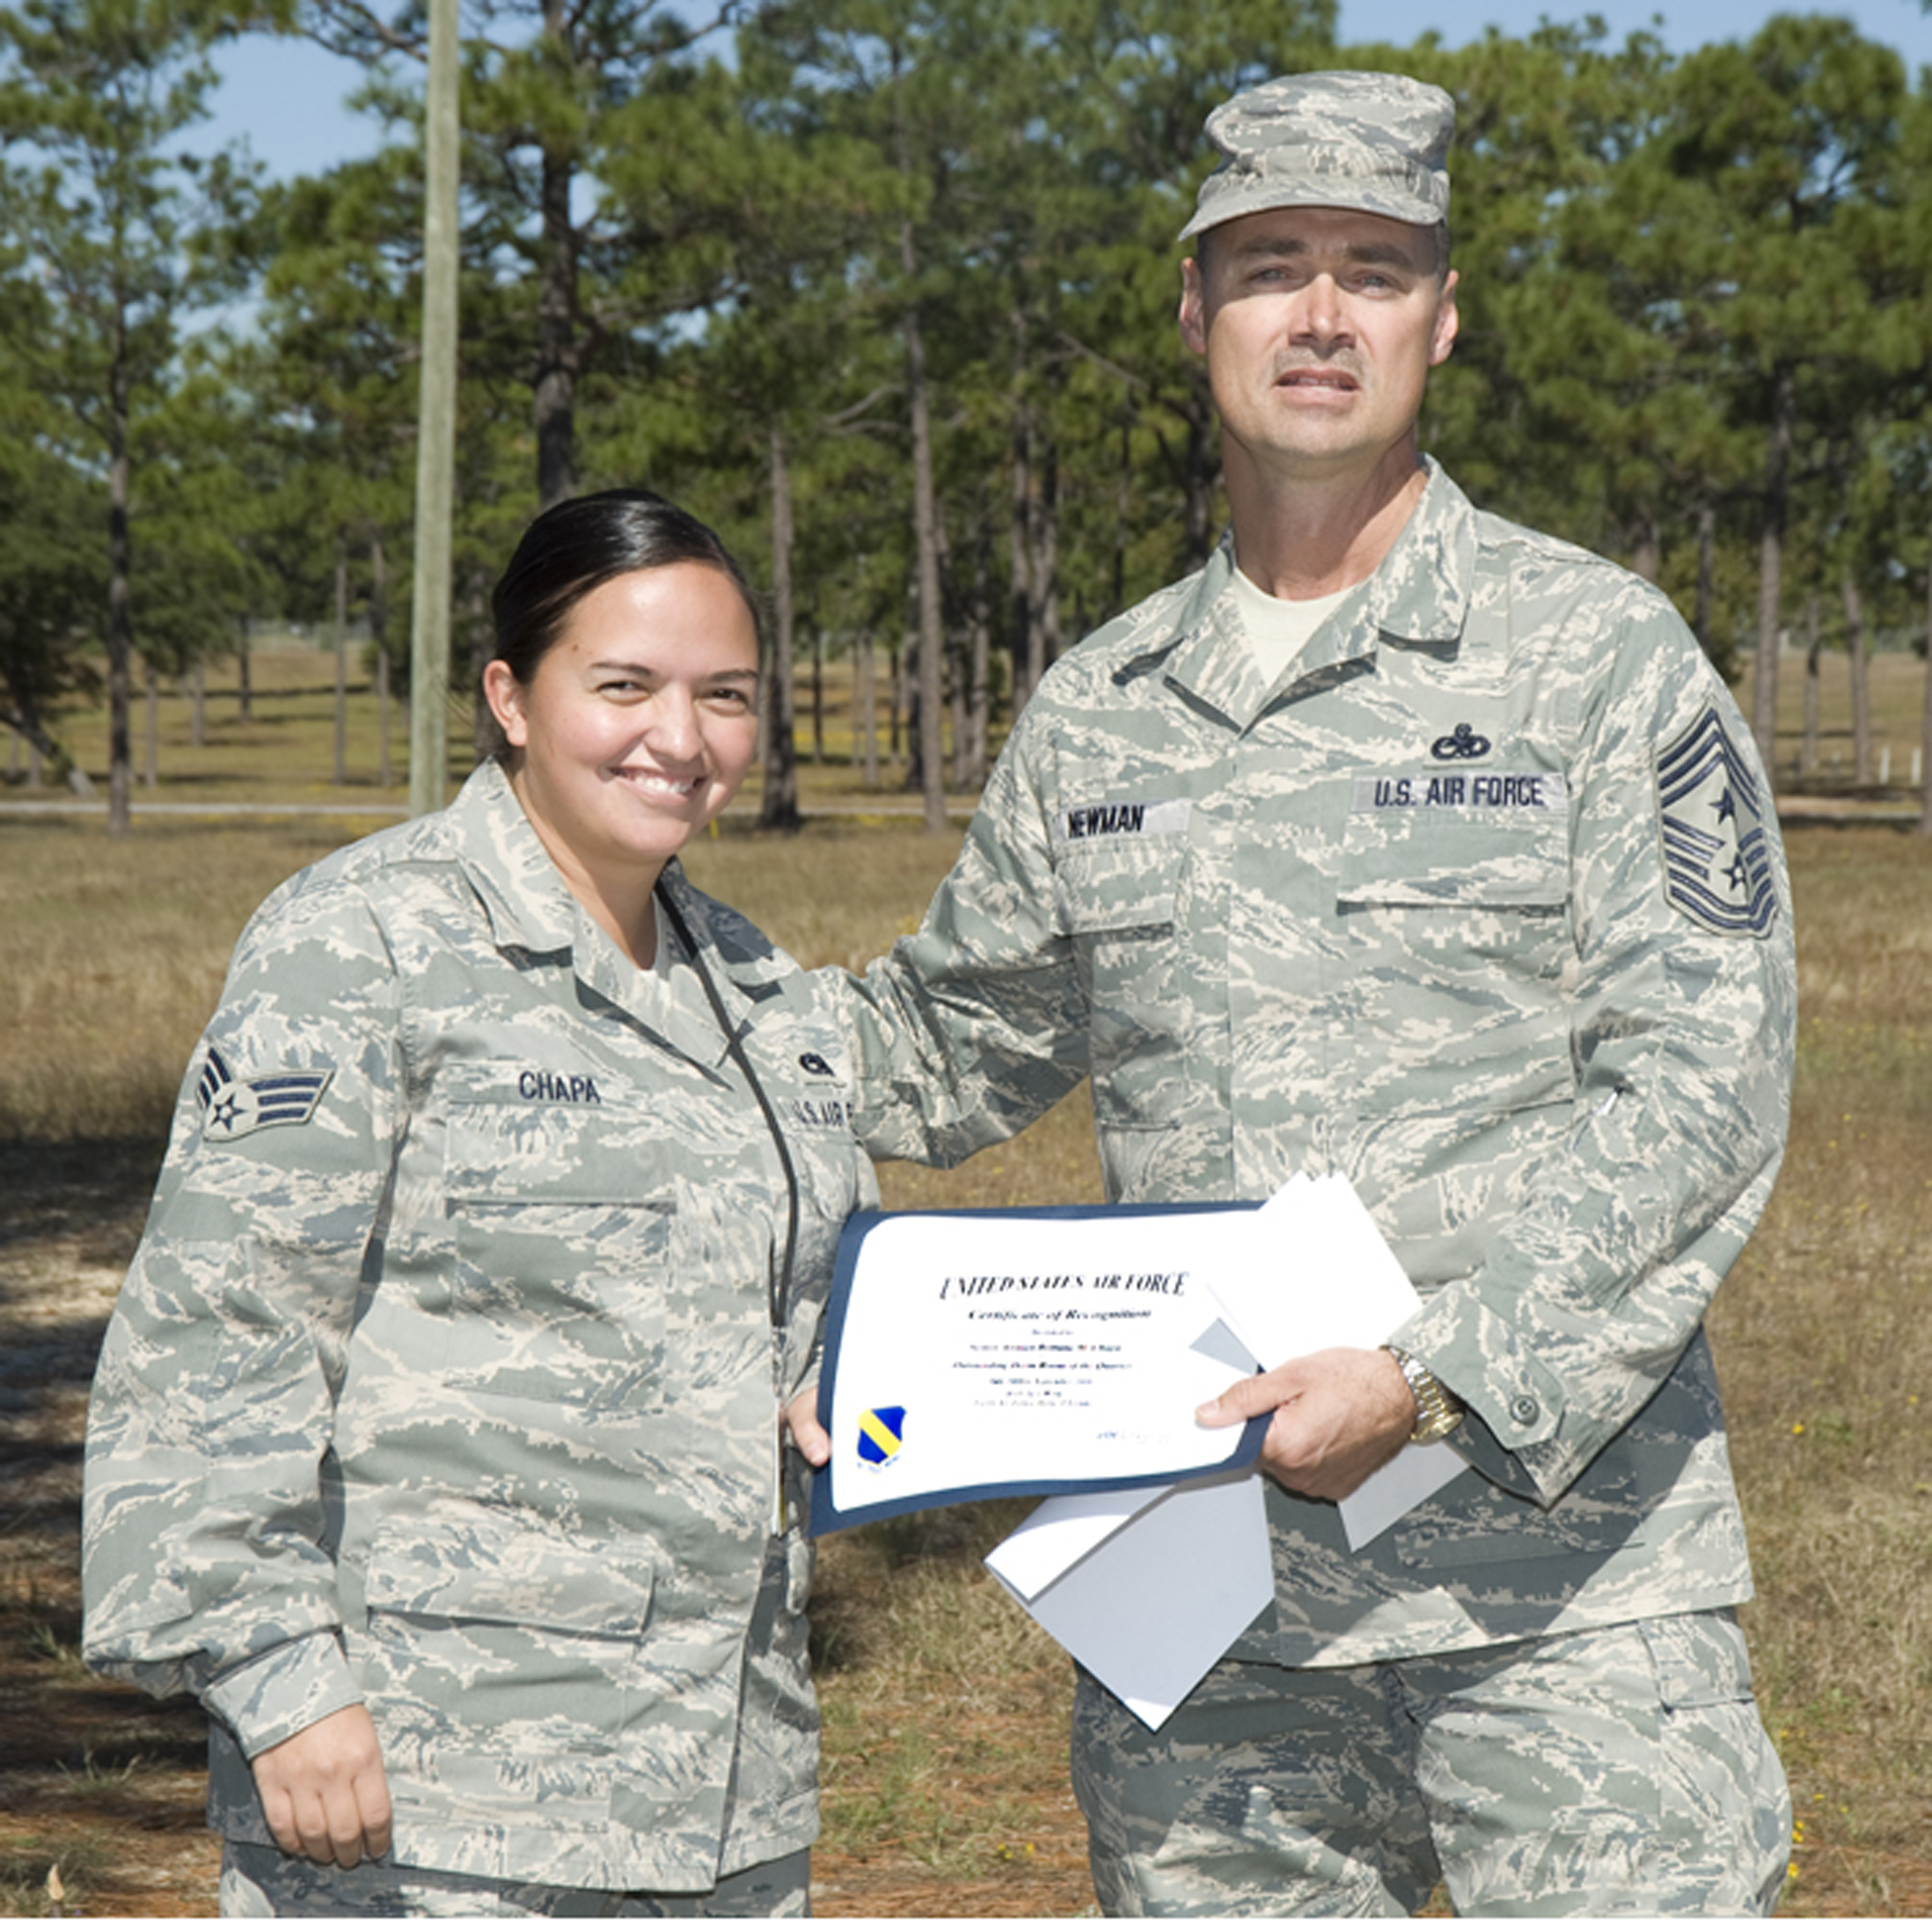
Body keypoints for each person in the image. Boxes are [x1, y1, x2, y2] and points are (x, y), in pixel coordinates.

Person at [816, 70, 1796, 1917]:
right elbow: (937, 1048)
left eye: (1376, 266)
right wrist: (628, 981)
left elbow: (1703, 1091)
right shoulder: (1103, 702)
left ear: (1445, 312)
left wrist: (1426, 1383)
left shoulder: (1596, 658)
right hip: (1202, 1620)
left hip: (1557, 1594)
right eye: (1272, 266)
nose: (1323, 314)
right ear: (1198, 316)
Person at [82, 488, 874, 1918]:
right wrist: (279, 1683)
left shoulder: (755, 983)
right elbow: (215, 1331)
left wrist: (851, 1390)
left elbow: (788, 1301)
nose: (681, 740)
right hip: (436, 1803)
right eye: (623, 686)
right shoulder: (364, 944)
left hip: (727, 1797)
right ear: (510, 696)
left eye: (727, 696)